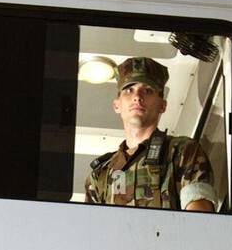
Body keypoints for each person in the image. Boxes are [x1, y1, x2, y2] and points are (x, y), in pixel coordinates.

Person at [84, 56, 217, 211]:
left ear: (162, 105)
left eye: (147, 91)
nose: (137, 97)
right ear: (117, 105)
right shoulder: (100, 176)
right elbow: (92, 232)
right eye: (129, 90)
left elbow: (199, 220)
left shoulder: (182, 152)